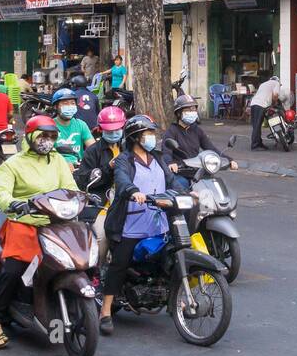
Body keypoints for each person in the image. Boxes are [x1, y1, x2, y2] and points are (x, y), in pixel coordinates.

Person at [0, 115, 78, 349]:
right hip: (24, 223)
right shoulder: (12, 164)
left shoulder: (58, 160)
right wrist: (12, 203)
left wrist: (80, 198)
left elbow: (70, 188)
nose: (47, 141)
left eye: (51, 136)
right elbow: (1, 193)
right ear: (30, 136)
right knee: (13, 271)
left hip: (55, 223)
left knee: (75, 260)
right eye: (43, 135)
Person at [99, 114, 176, 336]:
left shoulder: (158, 158)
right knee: (119, 263)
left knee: (169, 258)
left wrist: (189, 193)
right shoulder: (125, 159)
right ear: (135, 137)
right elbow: (122, 180)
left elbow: (171, 182)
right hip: (130, 223)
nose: (152, 137)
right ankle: (105, 311)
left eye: (152, 133)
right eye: (147, 134)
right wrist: (133, 192)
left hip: (157, 222)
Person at [75, 105, 126, 264]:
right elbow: (83, 180)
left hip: (129, 199)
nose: (113, 133)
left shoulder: (129, 148)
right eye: (109, 130)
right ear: (101, 129)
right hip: (103, 203)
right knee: (101, 235)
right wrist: (107, 168)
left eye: (117, 129)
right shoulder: (93, 151)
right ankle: (97, 270)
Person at [162, 94, 237, 173]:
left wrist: (228, 160)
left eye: (194, 109)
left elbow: (211, 148)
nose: (192, 112)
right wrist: (170, 163)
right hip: (179, 171)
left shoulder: (197, 131)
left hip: (196, 170)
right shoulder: (172, 131)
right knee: (180, 184)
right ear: (178, 113)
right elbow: (166, 152)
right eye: (188, 110)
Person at [51, 87, 95, 166]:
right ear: (55, 107)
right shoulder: (50, 126)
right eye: (65, 103)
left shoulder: (81, 125)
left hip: (78, 168)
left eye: (72, 103)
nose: (70, 106)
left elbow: (93, 148)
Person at [248, 75, 291, 152]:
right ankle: (255, 146)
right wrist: (274, 103)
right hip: (261, 104)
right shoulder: (276, 83)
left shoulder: (263, 84)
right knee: (257, 126)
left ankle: (259, 143)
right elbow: (275, 95)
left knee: (256, 126)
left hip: (254, 103)